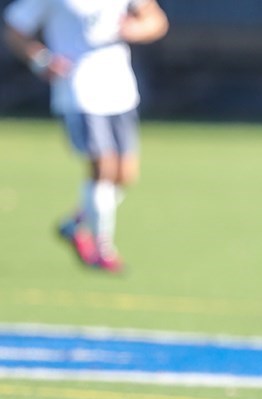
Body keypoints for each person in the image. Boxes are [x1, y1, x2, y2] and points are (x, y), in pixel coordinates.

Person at [3, 0, 168, 272]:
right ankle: (102, 248)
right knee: (103, 168)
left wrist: (135, 30)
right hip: (79, 90)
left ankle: (76, 224)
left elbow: (156, 21)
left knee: (125, 175)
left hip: (119, 88)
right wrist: (41, 60)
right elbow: (14, 29)